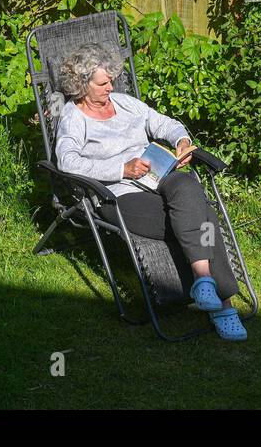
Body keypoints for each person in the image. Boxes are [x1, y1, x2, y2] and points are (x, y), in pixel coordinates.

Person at [53, 41, 246, 341]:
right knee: (203, 215)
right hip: (118, 194)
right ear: (81, 84)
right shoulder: (73, 117)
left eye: (111, 80)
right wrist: (122, 169)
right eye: (103, 83)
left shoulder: (125, 104)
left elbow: (165, 124)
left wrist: (181, 140)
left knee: (187, 184)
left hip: (158, 177)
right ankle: (222, 304)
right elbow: (67, 162)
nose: (110, 87)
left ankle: (204, 282)